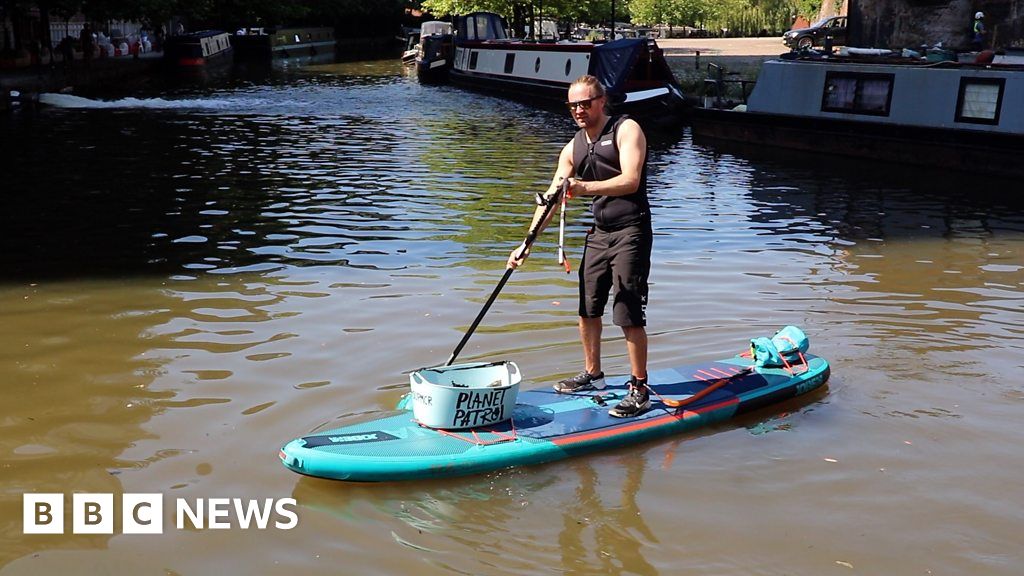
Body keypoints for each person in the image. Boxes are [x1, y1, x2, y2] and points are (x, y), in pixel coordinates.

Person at [507, 74, 653, 418]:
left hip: (631, 230)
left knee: (627, 310)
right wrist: (526, 243)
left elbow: (631, 181)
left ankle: (639, 388)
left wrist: (584, 187)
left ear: (602, 101)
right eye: (572, 105)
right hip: (599, 232)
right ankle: (593, 374)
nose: (578, 110)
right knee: (587, 309)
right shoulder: (573, 147)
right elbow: (551, 197)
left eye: (585, 103)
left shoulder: (626, 129)